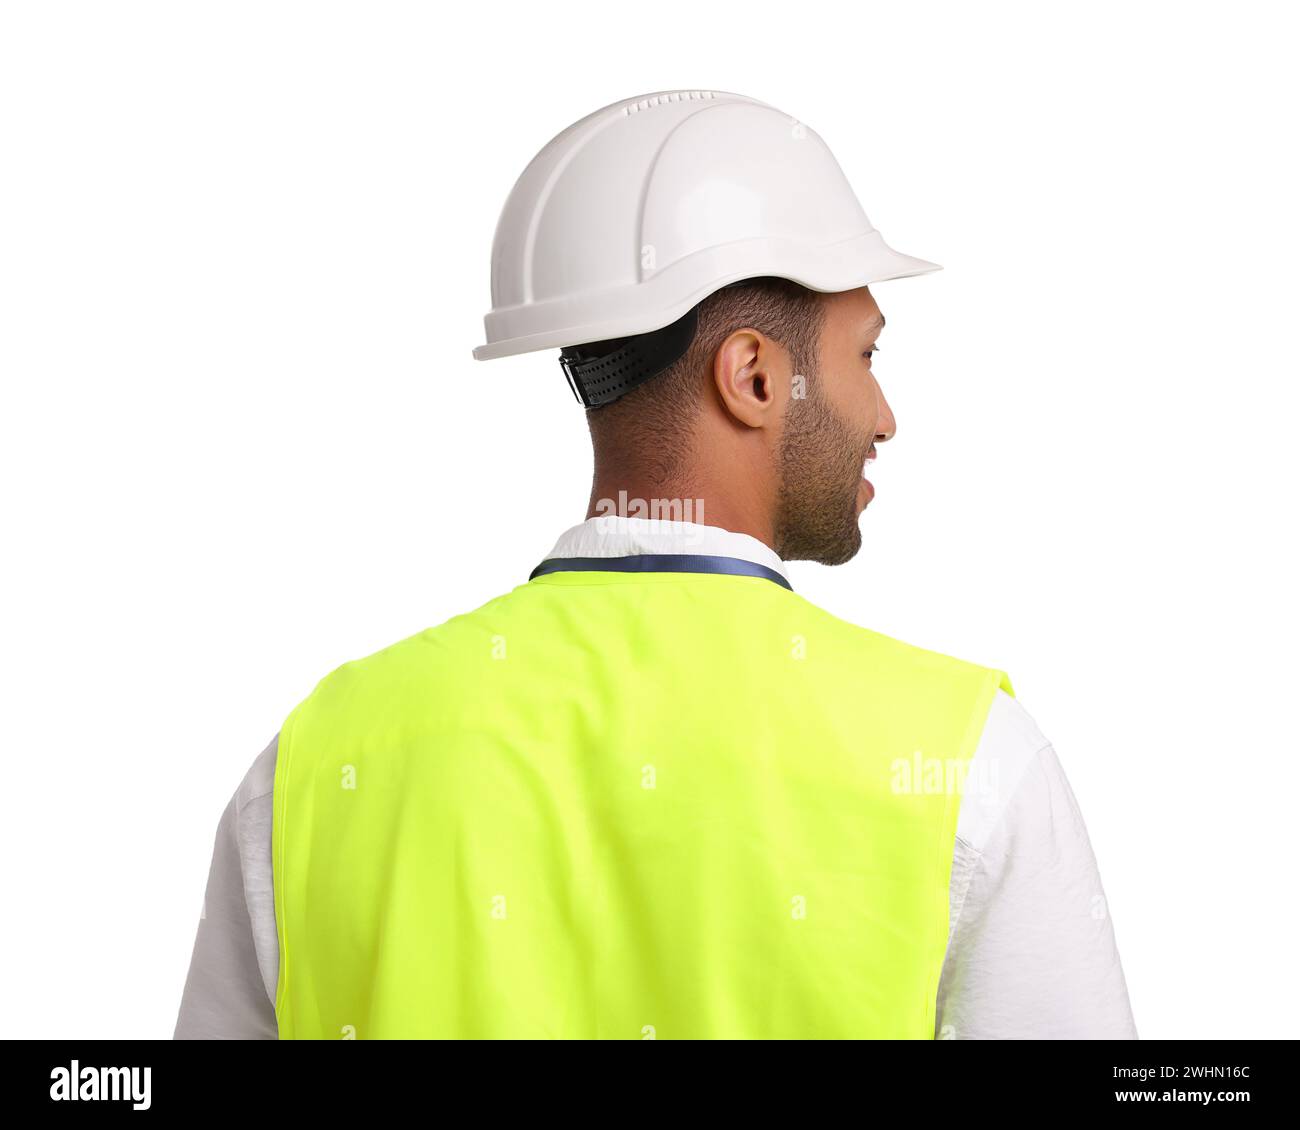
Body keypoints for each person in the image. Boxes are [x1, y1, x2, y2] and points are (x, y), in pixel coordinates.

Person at [175, 90, 1136, 1039]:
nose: (885, 416)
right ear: (755, 376)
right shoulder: (967, 763)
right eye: (867, 355)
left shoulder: (317, 764)